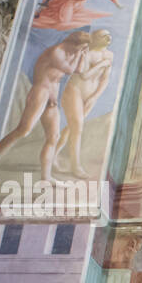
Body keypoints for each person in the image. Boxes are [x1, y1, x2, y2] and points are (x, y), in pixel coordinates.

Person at [0, 30, 91, 189]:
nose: (79, 51)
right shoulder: (57, 51)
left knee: (53, 137)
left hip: (53, 97)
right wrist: (80, 54)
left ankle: (46, 177)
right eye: (80, 48)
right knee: (23, 130)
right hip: (41, 92)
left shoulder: (73, 52)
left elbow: (80, 70)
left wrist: (82, 55)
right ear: (73, 43)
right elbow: (70, 69)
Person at [55, 28, 114, 180]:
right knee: (77, 129)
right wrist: (101, 65)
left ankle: (52, 154)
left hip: (90, 96)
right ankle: (76, 166)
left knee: (71, 129)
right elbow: (84, 75)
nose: (108, 38)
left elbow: (104, 79)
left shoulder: (109, 55)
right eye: (104, 35)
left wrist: (95, 96)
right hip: (74, 91)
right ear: (95, 38)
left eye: (109, 35)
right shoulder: (87, 53)